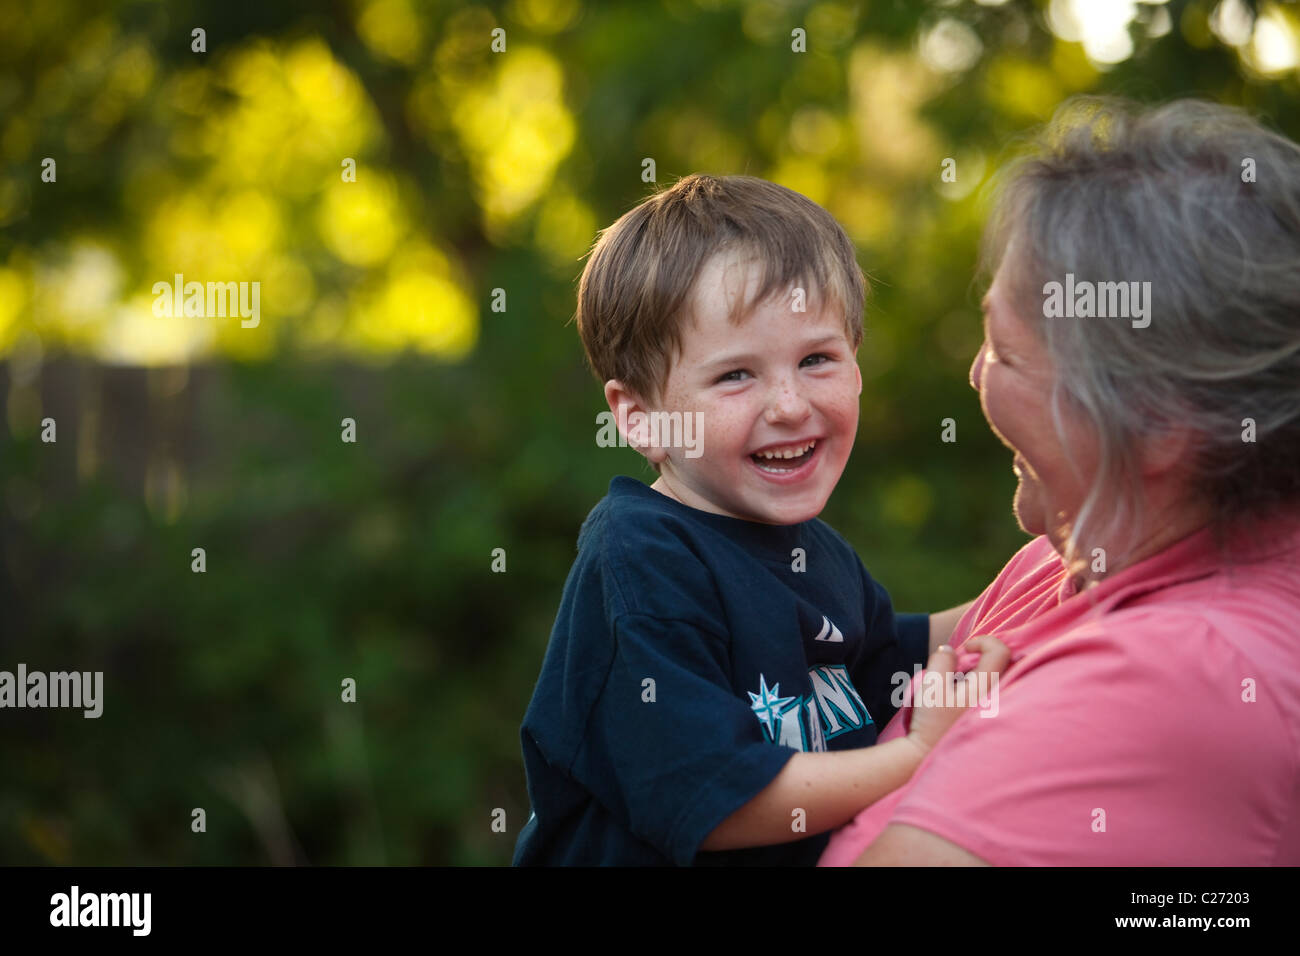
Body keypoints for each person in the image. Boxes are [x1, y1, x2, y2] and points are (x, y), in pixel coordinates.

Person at [819, 97, 1300, 866]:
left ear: (1157, 422)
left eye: (1006, 354)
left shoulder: (1176, 680)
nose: (977, 372)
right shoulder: (1073, 554)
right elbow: (843, 644)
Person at [513, 174, 1005, 866]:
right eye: (736, 376)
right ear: (642, 418)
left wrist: (1035, 587)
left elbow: (881, 659)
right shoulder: (640, 559)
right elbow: (719, 800)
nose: (789, 405)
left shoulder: (810, 548)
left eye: (816, 360)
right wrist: (916, 754)